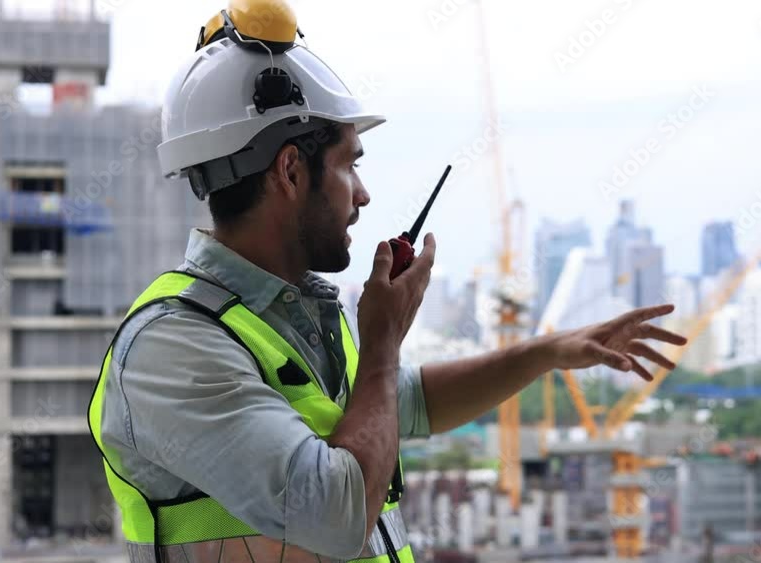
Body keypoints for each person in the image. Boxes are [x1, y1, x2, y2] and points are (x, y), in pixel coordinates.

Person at [86, 2, 688, 562]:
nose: (364, 194)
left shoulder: (286, 321)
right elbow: (335, 515)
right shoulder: (173, 347)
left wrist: (549, 351)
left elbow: (408, 402)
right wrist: (381, 345)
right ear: (291, 172)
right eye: (350, 164)